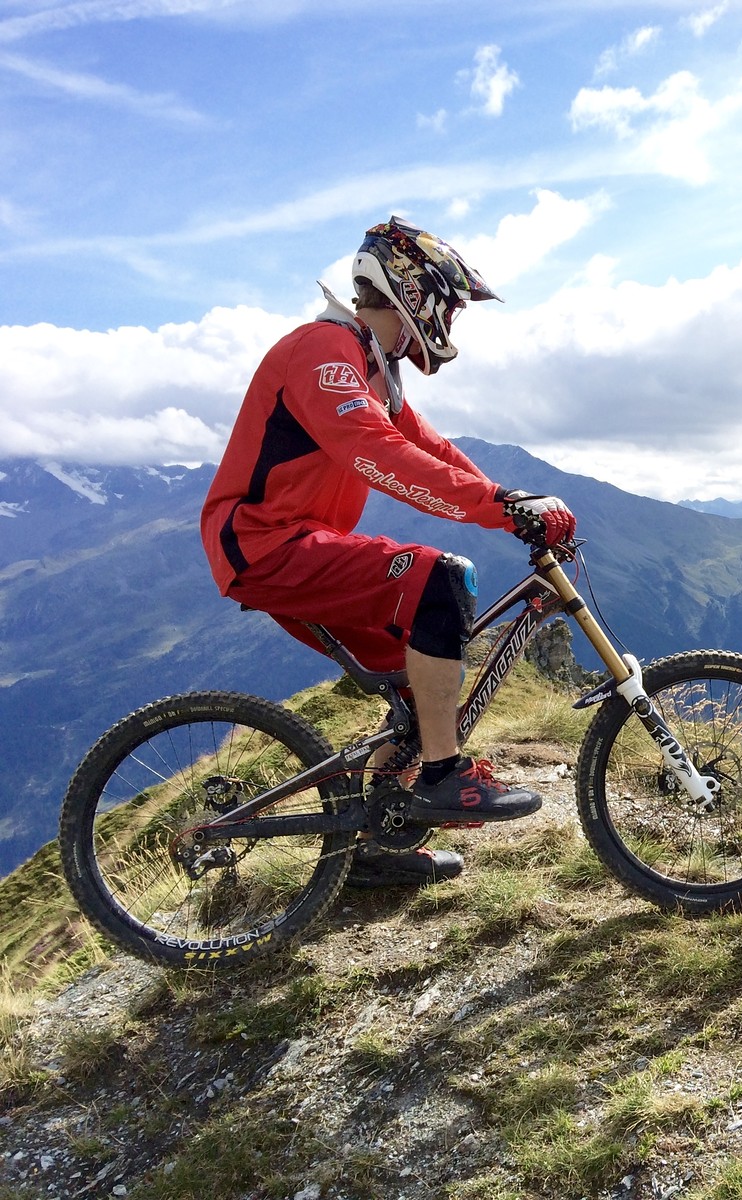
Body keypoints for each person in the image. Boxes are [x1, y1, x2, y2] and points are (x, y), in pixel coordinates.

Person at [200, 216, 576, 889]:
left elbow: (432, 449)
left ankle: (370, 851)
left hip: (298, 544)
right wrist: (498, 507)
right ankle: (442, 776)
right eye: (446, 306)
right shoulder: (323, 349)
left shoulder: (374, 369)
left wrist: (513, 503)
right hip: (264, 543)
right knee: (442, 580)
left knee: (413, 687)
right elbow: (376, 452)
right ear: (412, 292)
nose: (448, 322)